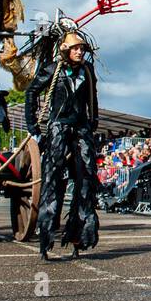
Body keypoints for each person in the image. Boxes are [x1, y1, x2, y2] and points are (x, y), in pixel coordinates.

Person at [25, 28, 102, 260]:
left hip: (81, 129)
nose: (80, 52)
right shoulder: (51, 70)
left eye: (82, 48)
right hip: (59, 128)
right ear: (66, 50)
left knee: (86, 180)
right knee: (52, 180)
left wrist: (93, 122)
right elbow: (31, 94)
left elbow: (93, 98)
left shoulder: (88, 71)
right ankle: (47, 238)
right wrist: (33, 127)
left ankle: (78, 236)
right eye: (76, 48)